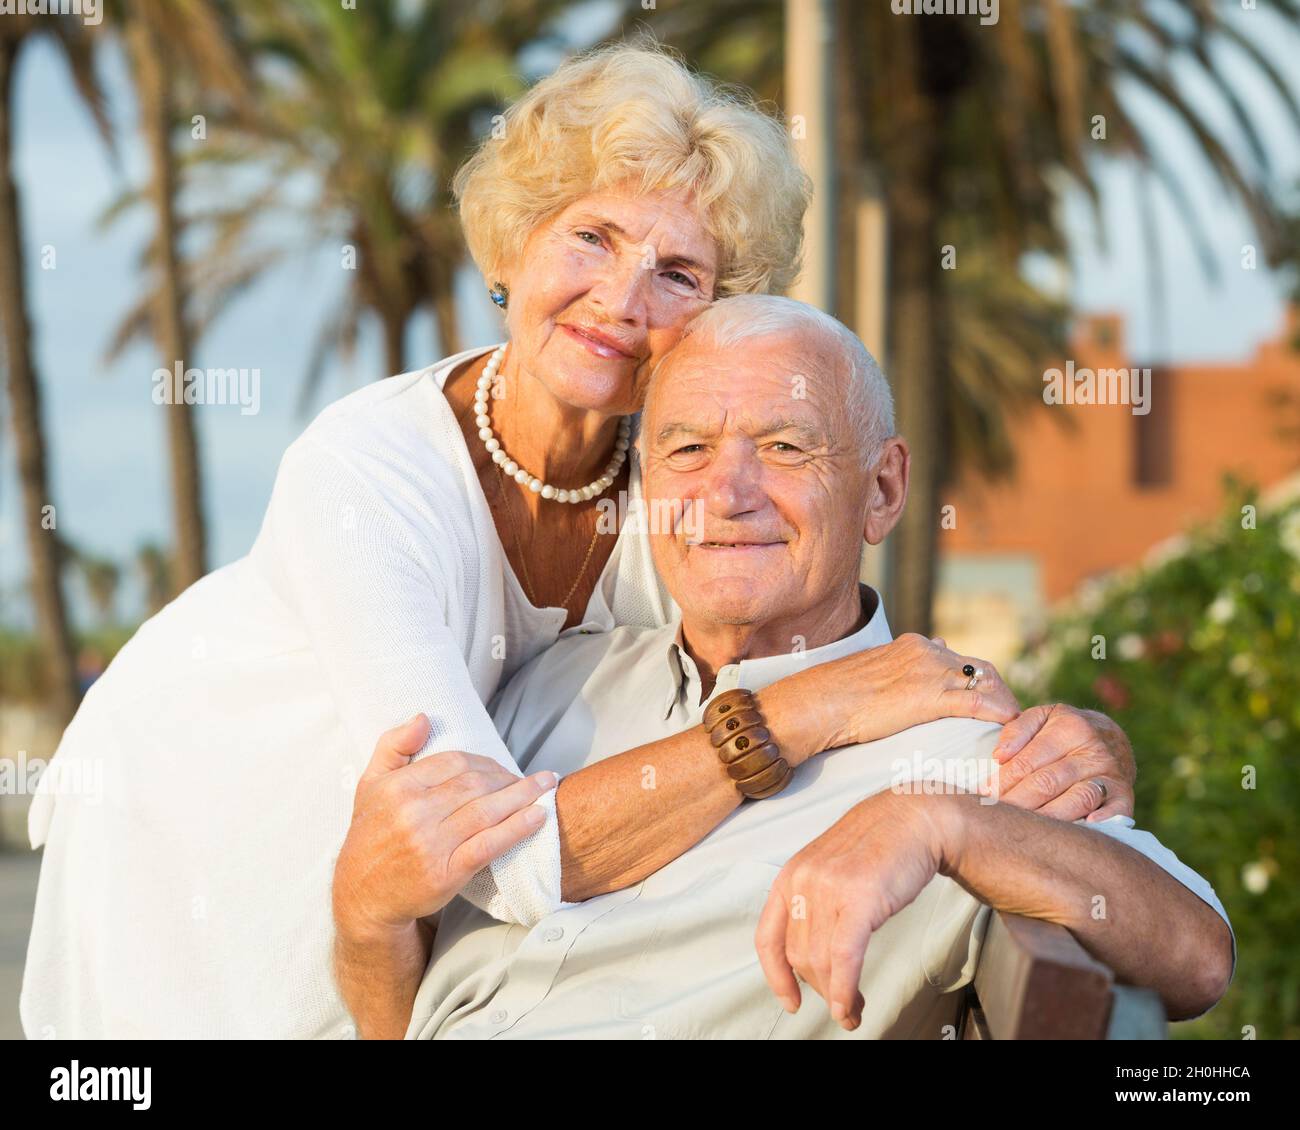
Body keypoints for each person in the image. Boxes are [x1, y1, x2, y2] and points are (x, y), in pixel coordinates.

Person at [22, 45, 1134, 1040]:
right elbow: (502, 852)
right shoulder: (367, 471)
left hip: (406, 944)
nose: (620, 297)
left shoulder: (672, 492)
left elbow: (819, 642)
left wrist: (1066, 740)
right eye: (591, 238)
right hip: (196, 836)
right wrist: (815, 707)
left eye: (677, 274)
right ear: (514, 242)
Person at [349, 296, 1231, 1040]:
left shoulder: (963, 757)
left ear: (881, 491)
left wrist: (936, 826)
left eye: (783, 447)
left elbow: (1198, 957)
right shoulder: (547, 680)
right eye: (687, 450)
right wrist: (366, 915)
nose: (727, 495)